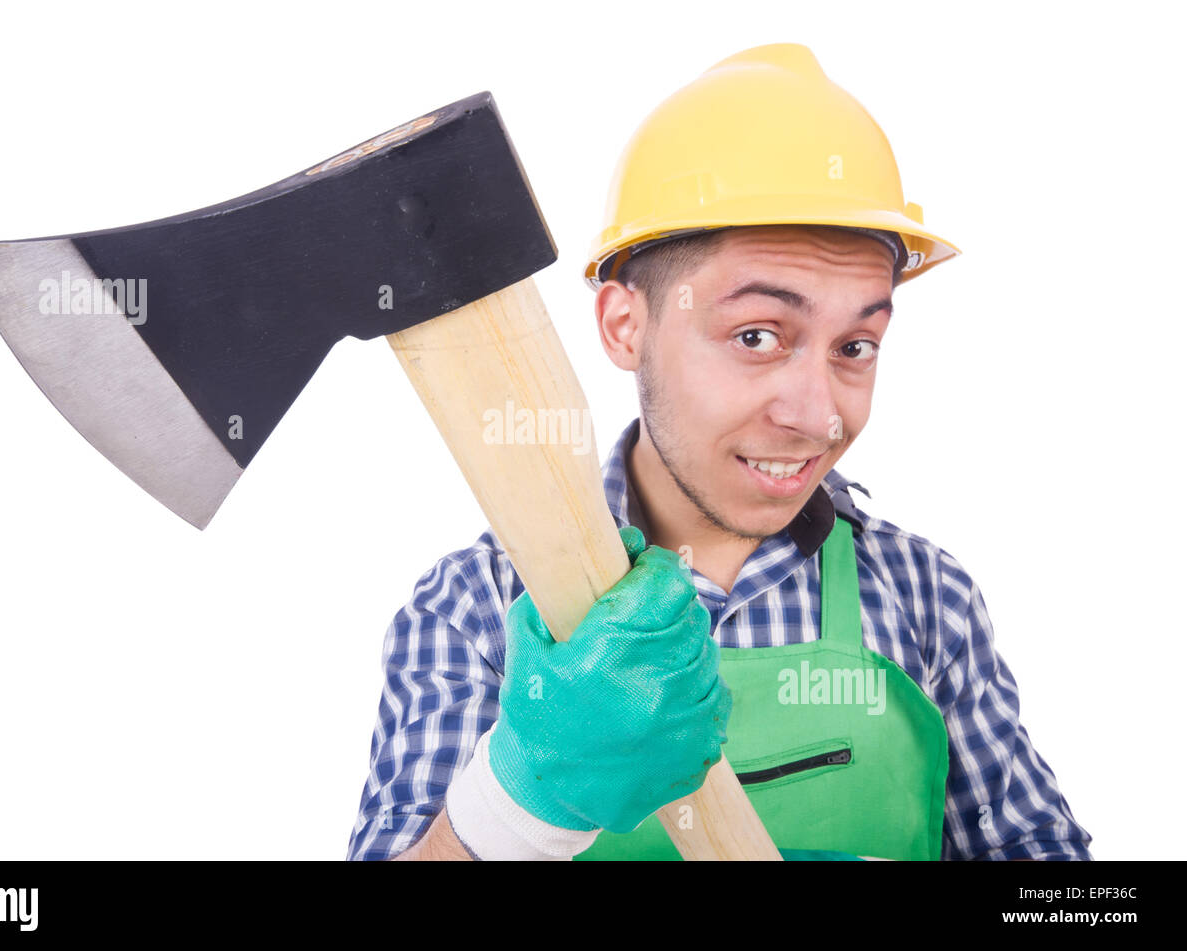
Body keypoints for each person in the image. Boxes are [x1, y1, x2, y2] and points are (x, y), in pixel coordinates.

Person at [345, 43, 1092, 861]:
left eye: (856, 346)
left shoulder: (926, 600)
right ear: (625, 325)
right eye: (758, 335)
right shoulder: (474, 611)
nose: (817, 417)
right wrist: (519, 804)